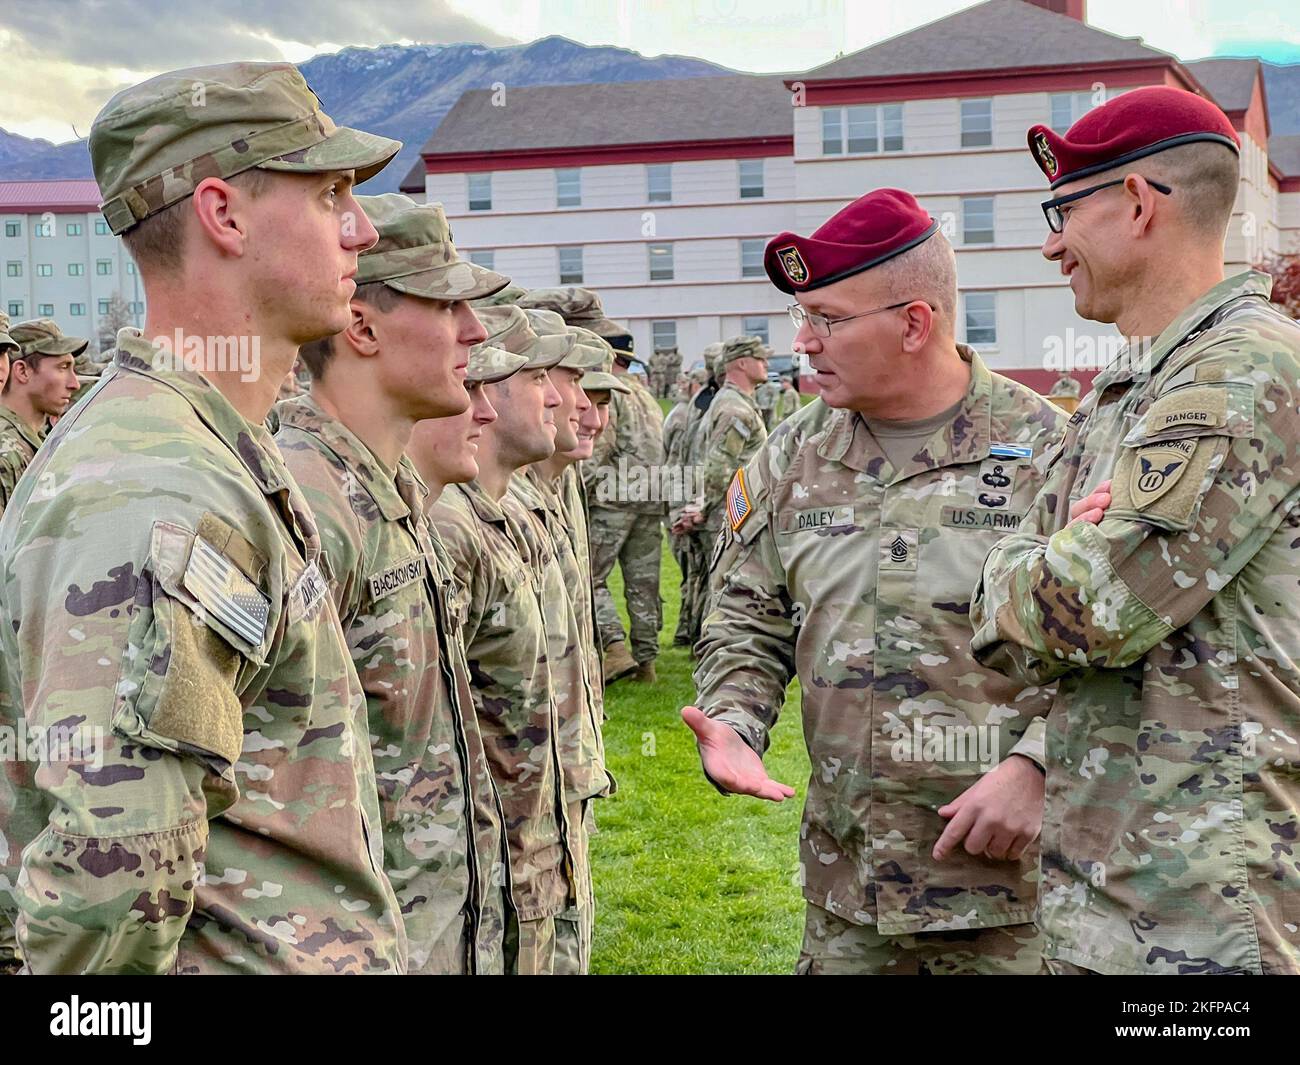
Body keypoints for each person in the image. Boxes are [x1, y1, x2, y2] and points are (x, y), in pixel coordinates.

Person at [0, 61, 408, 974]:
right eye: (331, 194)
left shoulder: (209, 444)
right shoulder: (158, 485)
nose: (363, 228)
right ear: (224, 215)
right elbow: (111, 885)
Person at [685, 188, 1064, 974]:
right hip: (850, 897)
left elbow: (1123, 650)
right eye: (802, 317)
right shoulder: (791, 456)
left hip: (1020, 901)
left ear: (914, 323)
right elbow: (748, 620)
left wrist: (1038, 763)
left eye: (827, 318)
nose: (803, 341)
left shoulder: (1053, 452)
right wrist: (734, 721)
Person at [972, 86, 1300, 976]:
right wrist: (1045, 564)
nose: (1050, 243)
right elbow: (1052, 589)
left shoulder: (1237, 375)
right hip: (1119, 895)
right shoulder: (1139, 382)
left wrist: (1022, 566)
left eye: (1063, 210)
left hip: (1208, 920)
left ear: (1138, 204)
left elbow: (1081, 608)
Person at [274, 193, 515, 974]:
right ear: (363, 328)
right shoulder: (308, 507)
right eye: (446, 306)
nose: (474, 334)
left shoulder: (394, 495)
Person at [425, 305, 576, 975]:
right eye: (538, 375)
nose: (560, 400)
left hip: (537, 842)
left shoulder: (512, 511)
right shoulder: (452, 530)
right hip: (493, 871)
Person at [510, 317, 616, 973]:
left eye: (597, 395)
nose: (588, 412)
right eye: (573, 385)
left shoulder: (555, 487)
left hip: (564, 780)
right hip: (524, 812)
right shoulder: (498, 503)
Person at [518, 288, 665, 684]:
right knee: (642, 582)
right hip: (649, 496)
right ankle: (644, 657)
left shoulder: (602, 395)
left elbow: (598, 450)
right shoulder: (643, 396)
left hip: (614, 498)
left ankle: (615, 649)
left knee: (592, 575)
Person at [0, 320, 83, 514]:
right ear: (22, 371)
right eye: (63, 367)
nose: (75, 384)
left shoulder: (40, 442)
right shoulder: (6, 451)